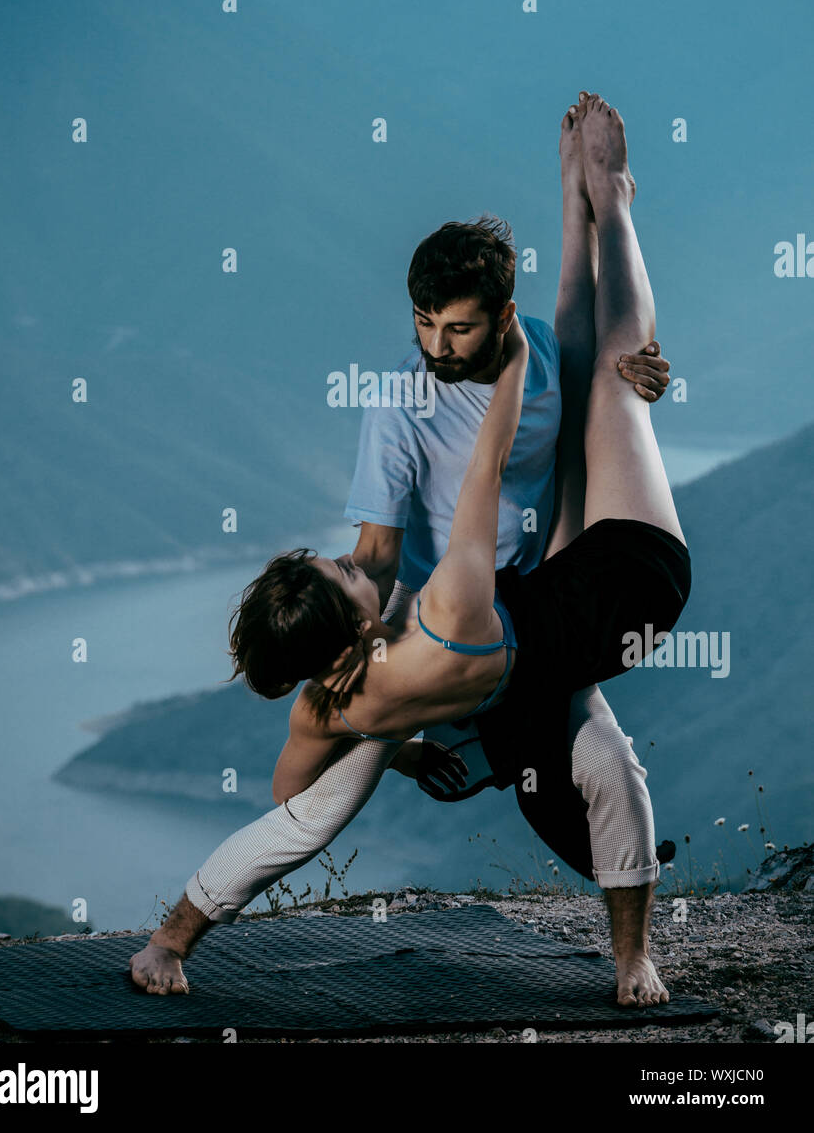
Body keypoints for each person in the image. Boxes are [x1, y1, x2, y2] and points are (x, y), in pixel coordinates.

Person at [130, 92, 690, 1007]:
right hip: (434, 622)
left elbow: (592, 340)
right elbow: (384, 552)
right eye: (423, 324)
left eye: (457, 327)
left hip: (519, 603)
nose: (434, 345)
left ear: (497, 316)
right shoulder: (399, 404)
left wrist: (647, 368)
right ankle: (171, 941)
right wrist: (364, 687)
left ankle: (632, 959)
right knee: (312, 815)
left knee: (607, 766)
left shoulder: (542, 355)